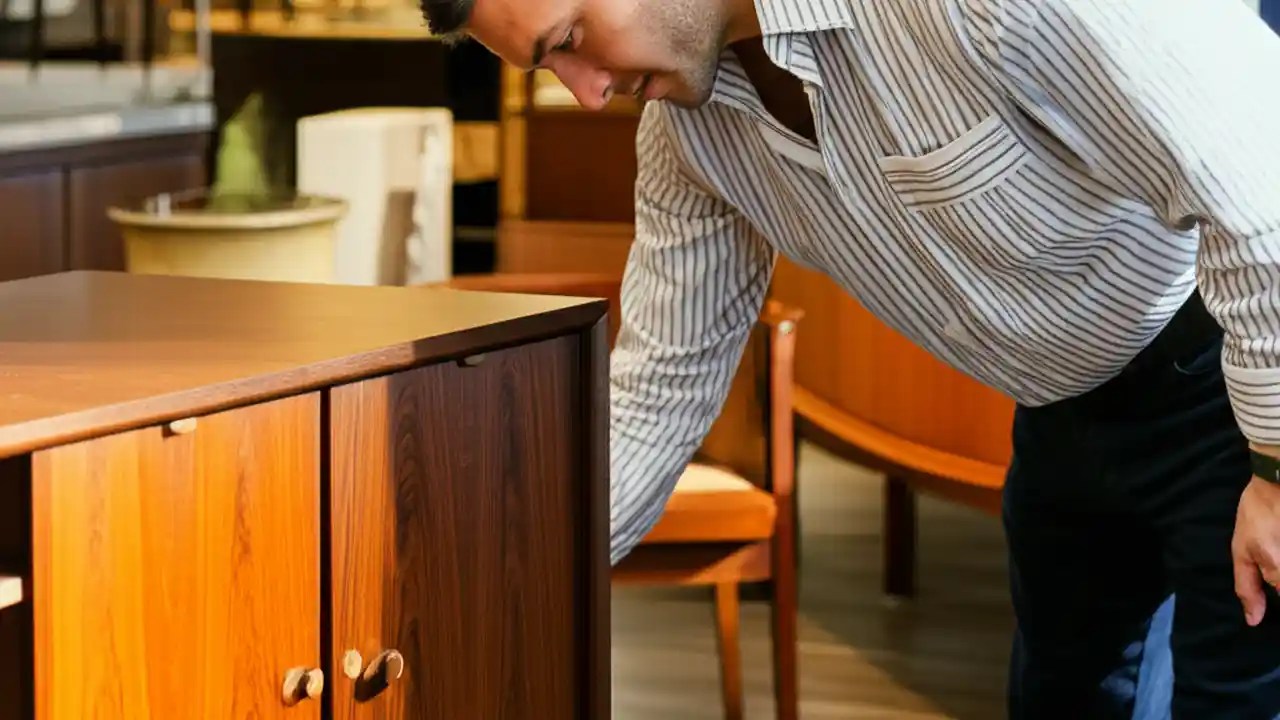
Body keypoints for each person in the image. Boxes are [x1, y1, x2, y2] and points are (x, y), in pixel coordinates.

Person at [420, 0, 1280, 715]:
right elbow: (660, 389)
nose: (587, 93)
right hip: (1058, 418)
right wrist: (495, 583)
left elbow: (1262, 173)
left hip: (1230, 378)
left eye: (569, 40)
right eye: (550, 69)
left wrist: (1275, 465)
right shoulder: (688, 139)